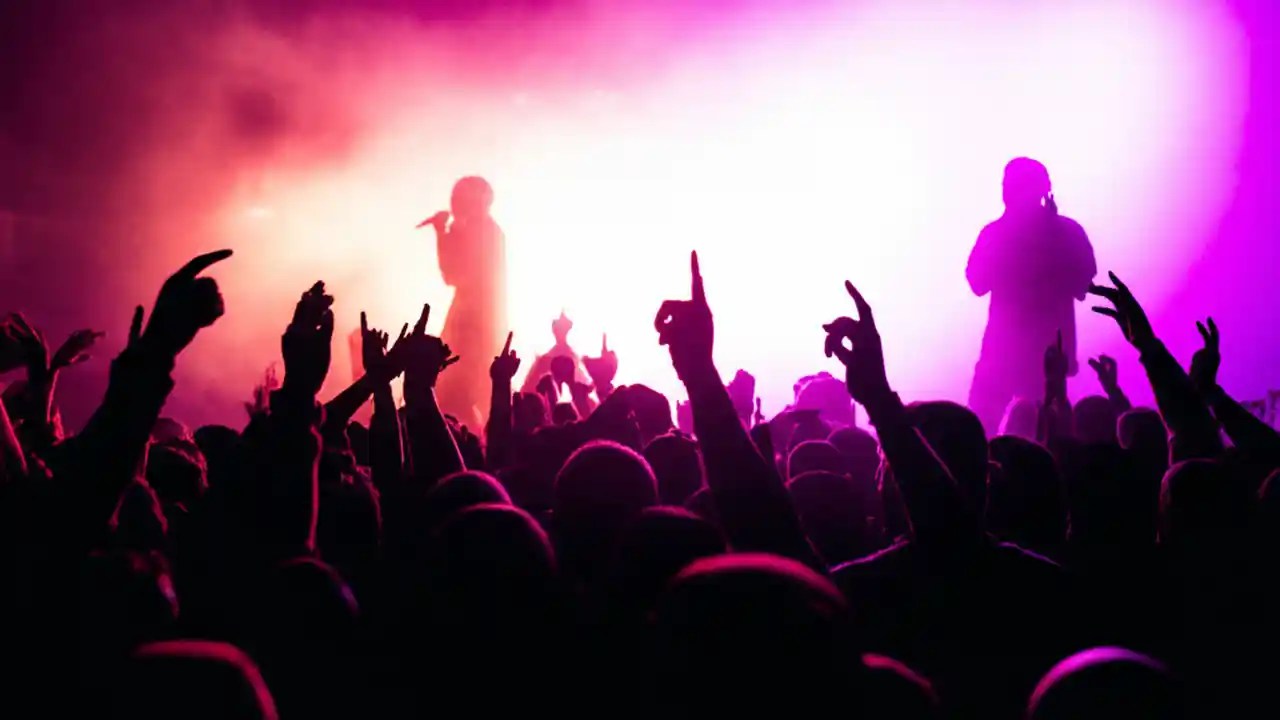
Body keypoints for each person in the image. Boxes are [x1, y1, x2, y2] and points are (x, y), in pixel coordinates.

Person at [967, 158, 1096, 434]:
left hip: (1015, 354)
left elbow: (977, 282)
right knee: (1044, 437)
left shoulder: (998, 233)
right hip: (1033, 355)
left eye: (1010, 185)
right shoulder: (1065, 231)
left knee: (980, 431)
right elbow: (1084, 286)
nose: (1005, 191)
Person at [420, 176, 507, 427]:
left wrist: (444, 233)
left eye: (458, 200)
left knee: (457, 388)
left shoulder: (480, 232)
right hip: (481, 318)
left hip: (472, 322)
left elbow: (452, 274)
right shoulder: (489, 230)